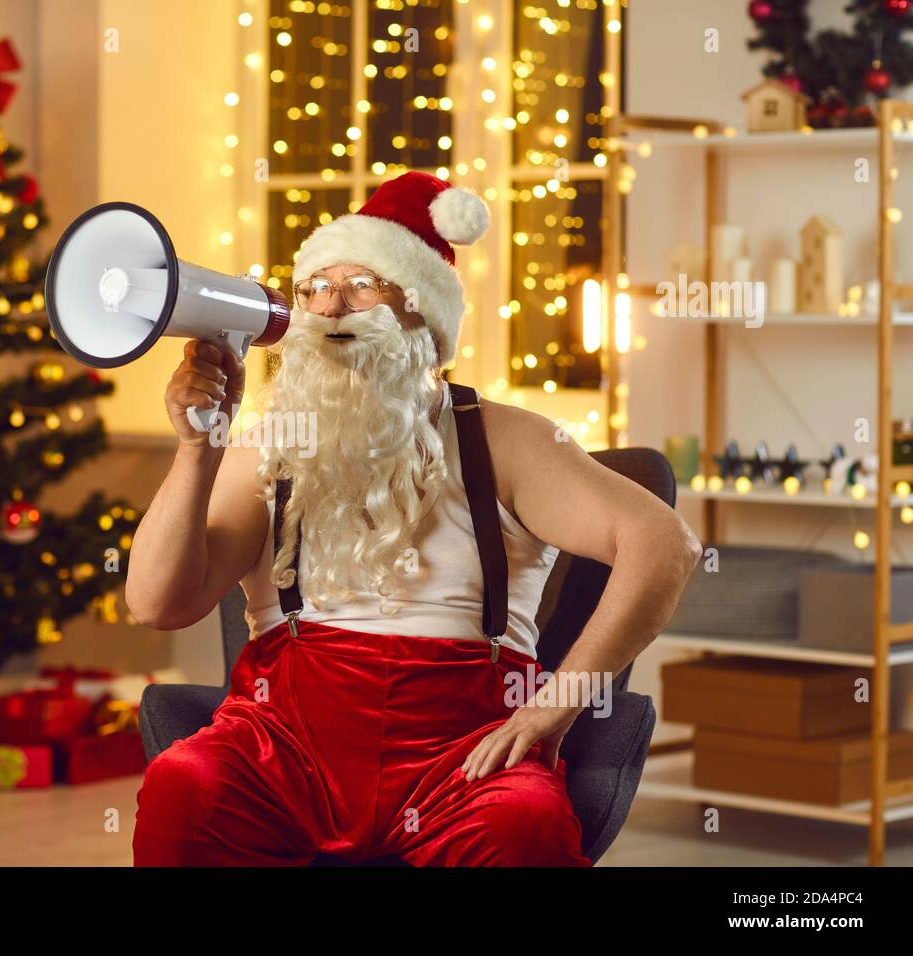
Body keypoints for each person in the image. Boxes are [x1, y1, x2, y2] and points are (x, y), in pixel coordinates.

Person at [126, 170, 702, 866]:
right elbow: (156, 603)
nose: (333, 307)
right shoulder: (265, 446)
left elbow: (664, 543)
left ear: (423, 312)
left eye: (363, 285)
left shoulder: (507, 440)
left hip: (464, 754)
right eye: (315, 287)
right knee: (185, 787)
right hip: (285, 744)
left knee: (523, 825)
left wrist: (560, 701)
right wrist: (198, 446)